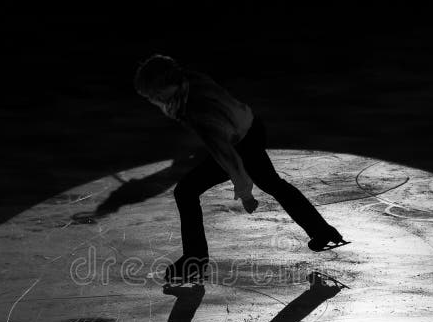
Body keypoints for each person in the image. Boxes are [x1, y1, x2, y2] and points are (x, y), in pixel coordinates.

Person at [133, 54, 345, 282]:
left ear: (167, 86)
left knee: (186, 191)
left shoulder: (196, 110)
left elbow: (226, 154)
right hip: (251, 128)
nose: (154, 100)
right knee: (273, 184)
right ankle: (323, 232)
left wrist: (245, 193)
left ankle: (194, 260)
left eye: (155, 95)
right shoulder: (192, 81)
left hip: (240, 143)